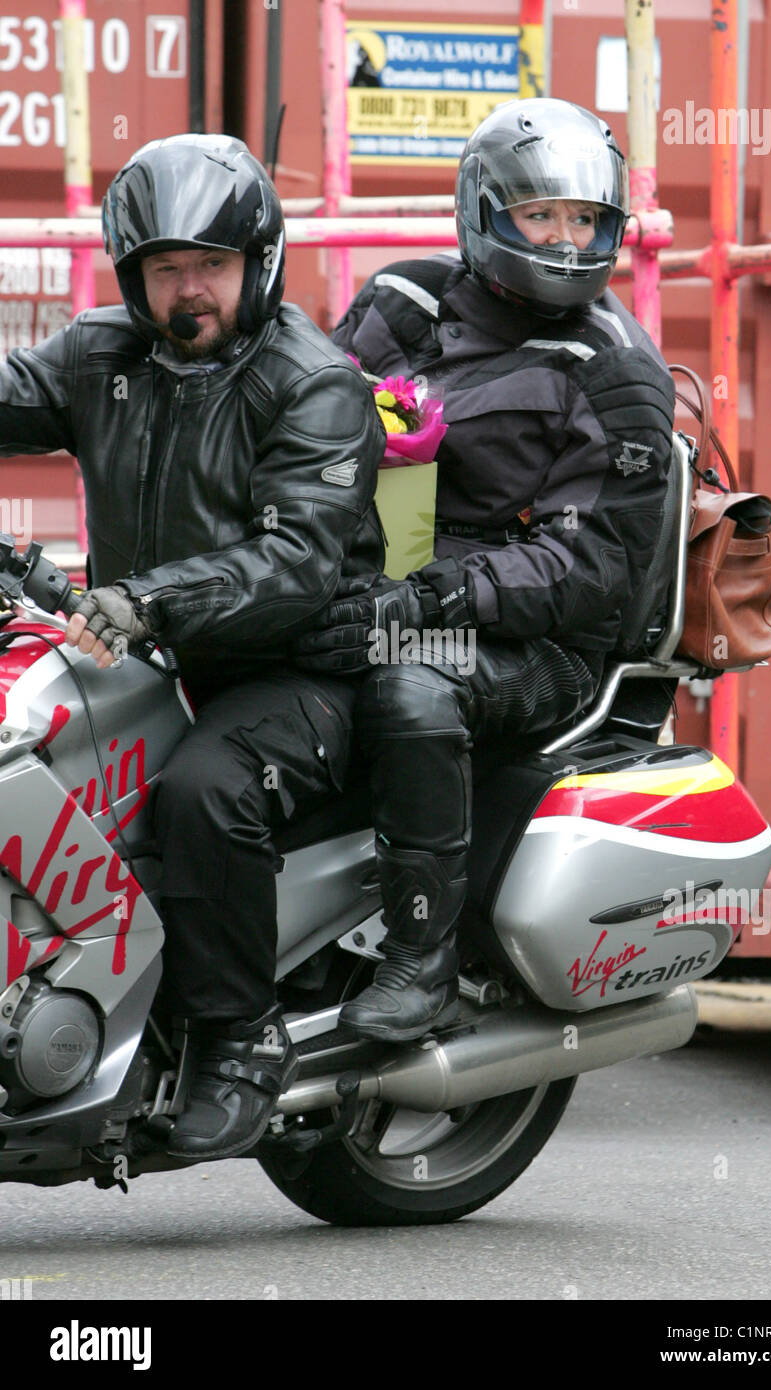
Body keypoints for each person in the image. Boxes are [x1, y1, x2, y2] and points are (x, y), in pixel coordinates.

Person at [0, 134, 385, 1159]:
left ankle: (239, 1035)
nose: (188, 292)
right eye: (166, 270)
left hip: (297, 669)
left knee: (202, 792)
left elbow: (296, 563)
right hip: (147, 654)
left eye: (209, 267)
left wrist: (147, 600)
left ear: (256, 264)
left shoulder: (315, 384)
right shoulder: (102, 354)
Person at [295, 98, 677, 1042]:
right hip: (379, 584)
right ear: (483, 210)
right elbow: (299, 433)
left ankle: (421, 958)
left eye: (583, 219)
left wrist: (424, 599)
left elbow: (585, 568)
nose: (564, 238)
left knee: (406, 683)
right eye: (539, 215)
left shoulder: (614, 369)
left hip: (534, 639)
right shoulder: (402, 302)